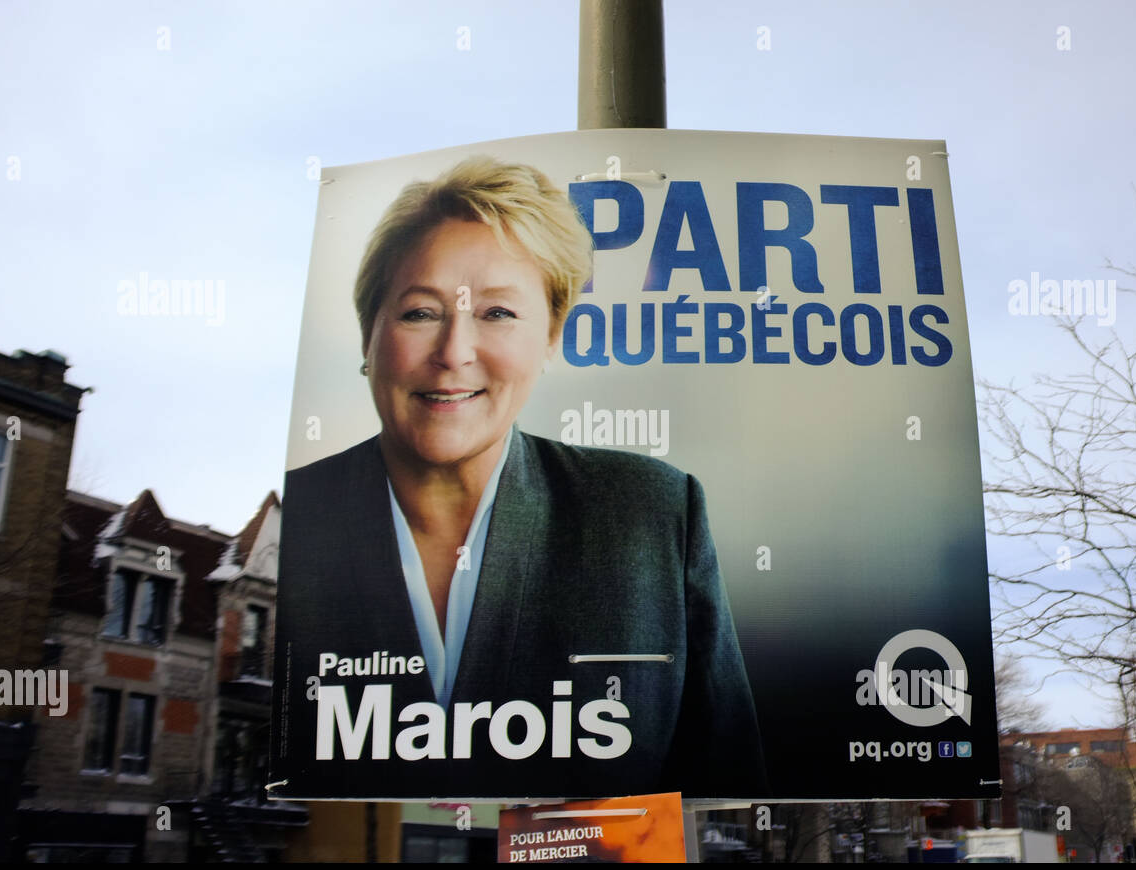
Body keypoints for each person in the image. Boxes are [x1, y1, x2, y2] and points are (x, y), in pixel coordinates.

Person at [272, 156, 766, 799]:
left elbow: (725, 779)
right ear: (369, 335)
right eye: (419, 312)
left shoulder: (651, 514)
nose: (453, 353)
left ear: (551, 337)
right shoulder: (300, 517)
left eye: (498, 314)